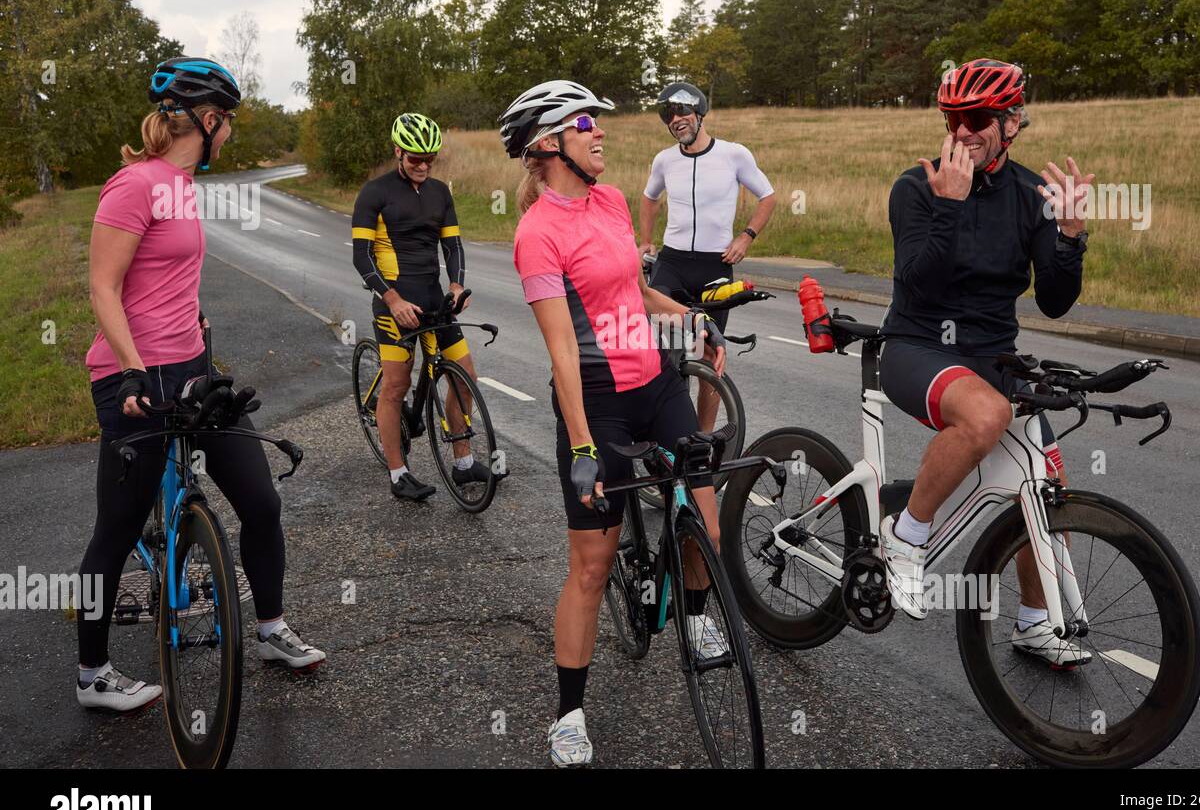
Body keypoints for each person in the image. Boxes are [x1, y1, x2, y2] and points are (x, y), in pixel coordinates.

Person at [79, 57, 324, 712]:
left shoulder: (181, 186)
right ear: (210, 121)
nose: (231, 136)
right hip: (131, 375)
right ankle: (93, 675)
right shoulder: (133, 185)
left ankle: (270, 627)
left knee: (261, 500)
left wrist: (193, 319)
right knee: (117, 525)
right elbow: (103, 286)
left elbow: (163, 277)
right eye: (230, 125)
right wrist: (133, 367)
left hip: (189, 368)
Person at [501, 80, 728, 766]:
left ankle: (693, 615)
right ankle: (569, 712)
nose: (600, 132)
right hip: (595, 399)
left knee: (707, 524)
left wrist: (683, 317)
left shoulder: (610, 200)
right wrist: (581, 448)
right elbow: (563, 353)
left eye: (598, 122)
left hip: (655, 383)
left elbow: (633, 289)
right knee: (592, 566)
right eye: (584, 124)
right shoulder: (536, 234)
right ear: (548, 145)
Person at [877, 58, 1095, 665]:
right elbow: (917, 286)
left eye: (976, 119)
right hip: (918, 347)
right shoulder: (916, 186)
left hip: (993, 354)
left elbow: (1054, 302)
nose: (962, 131)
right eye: (953, 118)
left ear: (1012, 123)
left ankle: (1032, 621)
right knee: (984, 416)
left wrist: (1070, 236)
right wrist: (950, 205)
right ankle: (906, 535)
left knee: (1046, 487)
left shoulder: (1030, 195)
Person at [351, 113, 491, 502]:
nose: (424, 165)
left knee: (464, 375)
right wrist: (391, 299)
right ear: (398, 151)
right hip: (394, 303)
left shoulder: (439, 192)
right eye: (415, 158)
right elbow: (362, 257)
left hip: (433, 299)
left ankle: (463, 464)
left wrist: (457, 284)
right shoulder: (374, 193)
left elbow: (453, 245)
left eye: (430, 158)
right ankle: (398, 474)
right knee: (397, 383)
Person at [638, 81, 776, 430]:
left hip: (715, 266)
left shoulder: (733, 155)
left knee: (710, 355)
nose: (676, 120)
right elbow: (649, 198)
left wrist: (746, 237)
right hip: (672, 264)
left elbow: (768, 196)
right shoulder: (665, 160)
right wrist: (645, 241)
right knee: (660, 352)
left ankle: (702, 439)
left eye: (683, 112)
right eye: (669, 115)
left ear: (699, 113)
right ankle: (664, 432)